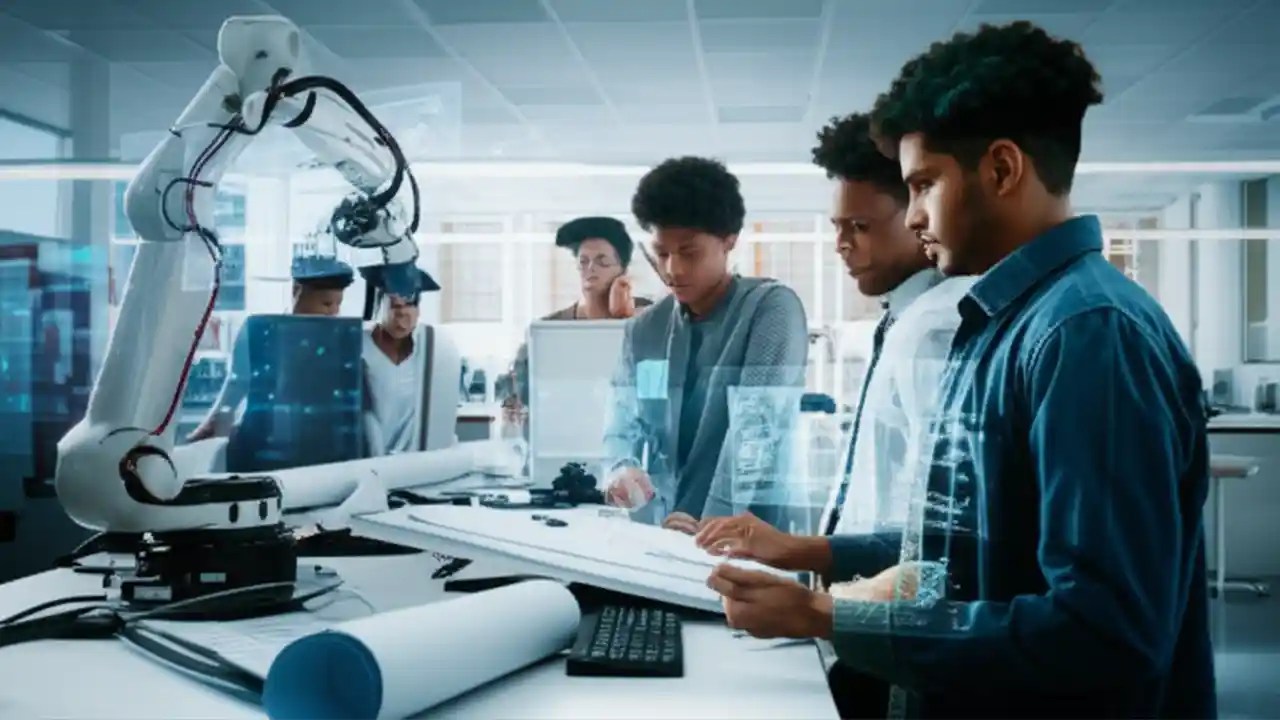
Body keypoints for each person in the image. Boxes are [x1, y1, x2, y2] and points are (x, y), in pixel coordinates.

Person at [703, 21, 1215, 719]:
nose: (913, 216)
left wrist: (828, 618)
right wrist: (810, 555)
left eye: (923, 185)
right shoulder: (1002, 324)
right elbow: (958, 544)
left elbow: (1106, 630)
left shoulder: (1088, 335)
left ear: (1002, 170)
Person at [695, 112, 972, 718]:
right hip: (864, 600)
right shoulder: (902, 319)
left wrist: (820, 593)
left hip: (891, 612)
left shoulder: (937, 326)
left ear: (917, 215)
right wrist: (801, 552)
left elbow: (933, 527)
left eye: (861, 226)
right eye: (837, 226)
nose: (843, 243)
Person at [601, 156, 809, 534]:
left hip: (746, 535)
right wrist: (621, 466)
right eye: (661, 253)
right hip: (664, 529)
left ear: (729, 241)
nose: (672, 270)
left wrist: (710, 524)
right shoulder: (645, 330)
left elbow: (756, 435)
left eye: (689, 252)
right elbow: (622, 420)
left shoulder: (770, 309)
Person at [186, 254, 354, 442]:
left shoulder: (342, 341)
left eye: (338, 305)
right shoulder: (260, 332)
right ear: (296, 290)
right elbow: (235, 387)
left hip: (323, 442)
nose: (333, 313)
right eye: (326, 304)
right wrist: (205, 430)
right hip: (262, 439)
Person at [505, 216, 653, 413]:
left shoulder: (649, 317)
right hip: (567, 428)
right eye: (583, 262)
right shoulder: (552, 329)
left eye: (603, 262)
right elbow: (522, 392)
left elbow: (657, 393)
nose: (590, 269)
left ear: (623, 269)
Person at [359, 262, 441, 456]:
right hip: (366, 461)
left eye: (410, 305)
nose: (402, 314)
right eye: (394, 305)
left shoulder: (427, 350)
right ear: (380, 304)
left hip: (411, 465)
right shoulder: (359, 346)